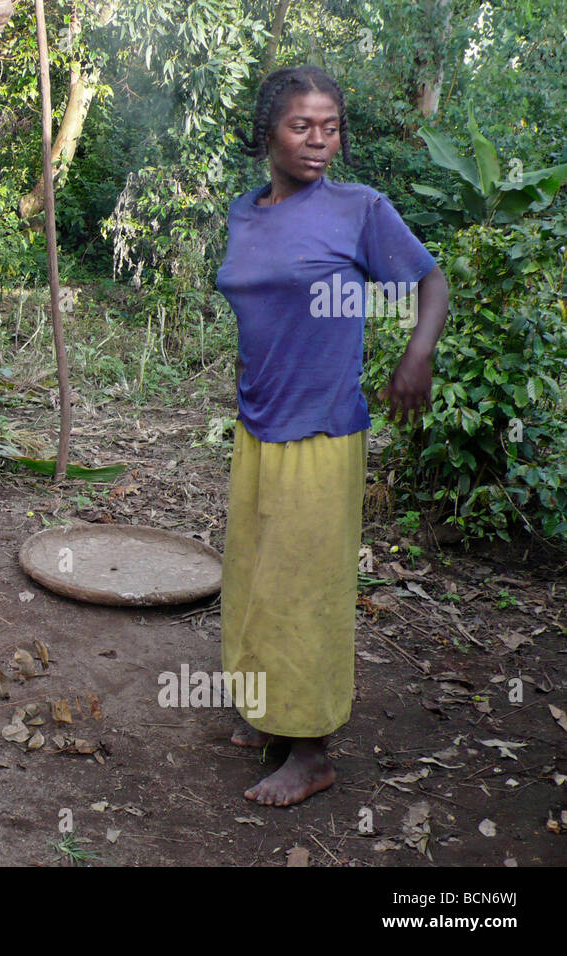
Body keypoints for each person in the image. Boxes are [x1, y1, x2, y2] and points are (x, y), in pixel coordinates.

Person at [214, 65, 449, 806]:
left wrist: (417, 354)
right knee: (254, 575)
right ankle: (265, 707)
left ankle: (310, 748)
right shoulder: (243, 212)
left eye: (331, 126)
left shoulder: (358, 208)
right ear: (268, 133)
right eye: (300, 126)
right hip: (260, 423)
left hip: (320, 430)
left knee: (303, 588)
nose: (319, 141)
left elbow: (430, 282)